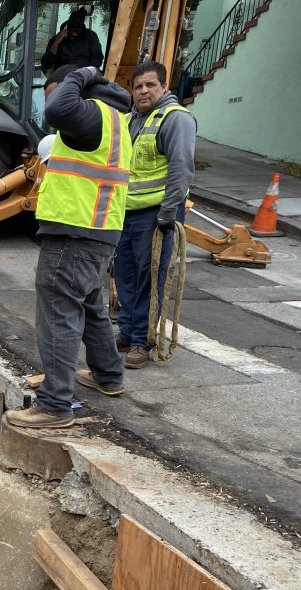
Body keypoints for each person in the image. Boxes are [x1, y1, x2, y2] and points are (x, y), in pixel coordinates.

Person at [6, 65, 132, 429]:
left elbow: (57, 111)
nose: (53, 102)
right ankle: (109, 375)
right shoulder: (115, 120)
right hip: (99, 229)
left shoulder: (91, 114)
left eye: (54, 91)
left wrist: (82, 73)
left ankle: (54, 404)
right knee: (90, 304)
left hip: (75, 231)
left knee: (58, 311)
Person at [114, 61, 197, 368]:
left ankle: (141, 341)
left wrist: (167, 213)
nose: (144, 91)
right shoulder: (130, 120)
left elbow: (181, 169)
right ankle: (127, 330)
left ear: (164, 87)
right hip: (126, 212)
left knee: (149, 278)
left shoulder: (175, 120)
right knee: (124, 274)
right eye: (138, 86)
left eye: (150, 85)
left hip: (156, 214)